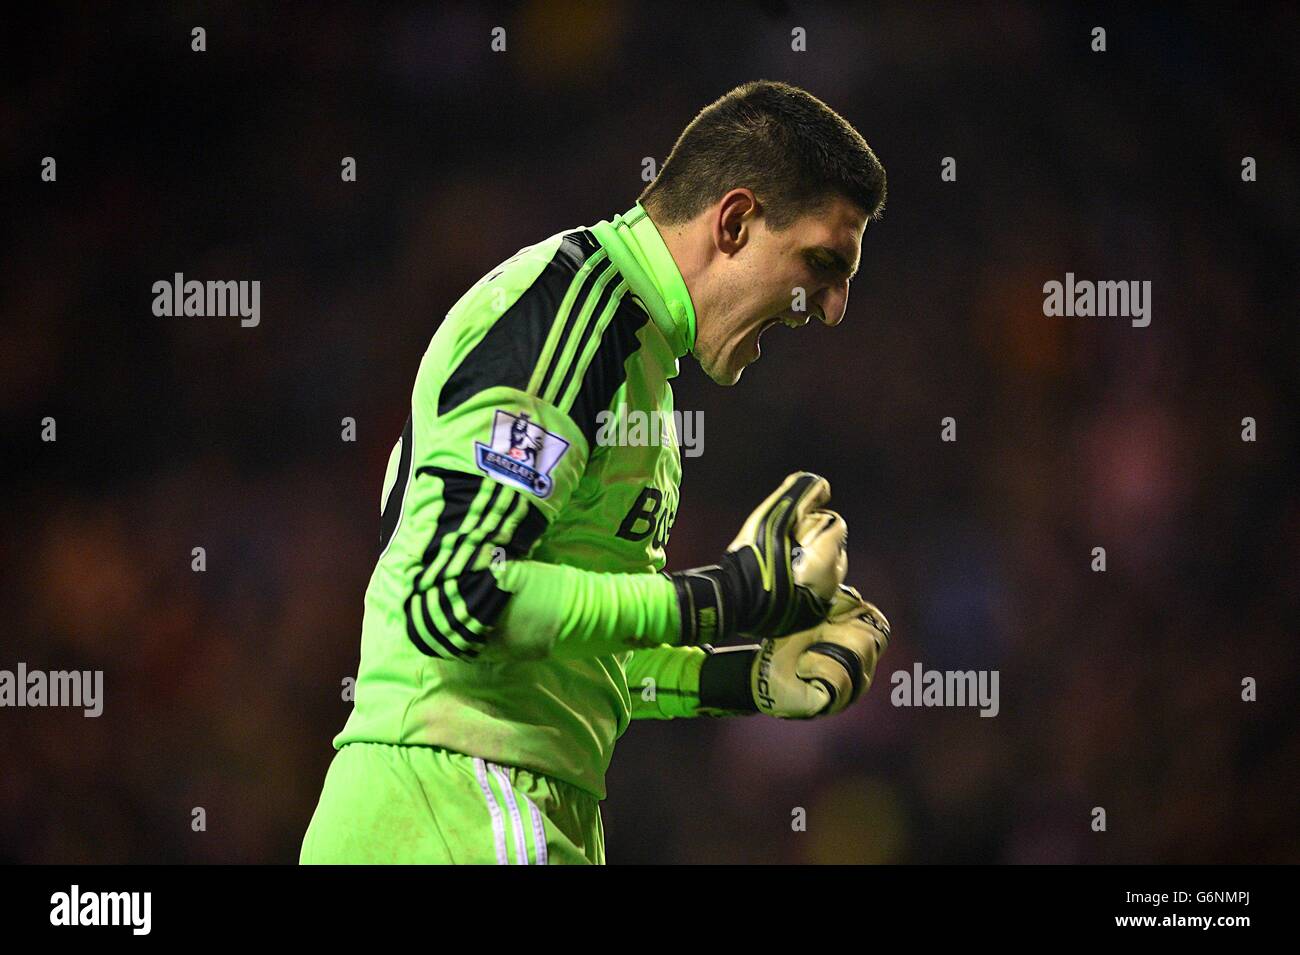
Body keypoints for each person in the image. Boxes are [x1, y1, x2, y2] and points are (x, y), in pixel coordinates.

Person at [300, 79, 891, 864]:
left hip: (493, 801)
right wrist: (725, 597)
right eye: (822, 262)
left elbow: (572, 648)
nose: (833, 307)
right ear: (737, 221)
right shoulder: (576, 313)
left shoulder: (633, 355)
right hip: (458, 805)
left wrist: (742, 678)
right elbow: (451, 598)